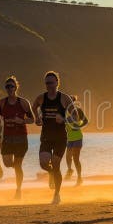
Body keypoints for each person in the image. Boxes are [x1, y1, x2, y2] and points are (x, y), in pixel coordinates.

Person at [33, 71, 74, 205]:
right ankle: (51, 174)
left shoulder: (64, 98)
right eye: (46, 83)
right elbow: (34, 107)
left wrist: (64, 119)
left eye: (51, 83)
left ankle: (57, 194)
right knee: (44, 163)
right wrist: (37, 118)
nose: (48, 85)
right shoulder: (41, 98)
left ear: (57, 83)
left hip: (60, 138)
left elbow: (76, 117)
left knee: (56, 165)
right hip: (46, 136)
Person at [0, 76, 34, 199]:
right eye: (7, 86)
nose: (9, 88)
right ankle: (14, 168)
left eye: (11, 86)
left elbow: (32, 119)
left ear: (16, 87)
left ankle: (18, 190)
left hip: (21, 138)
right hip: (7, 138)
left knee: (18, 166)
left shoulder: (23, 102)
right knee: (7, 163)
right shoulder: (2, 103)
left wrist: (21, 121)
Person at [64, 96, 88, 186]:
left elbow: (86, 121)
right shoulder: (64, 111)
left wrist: (78, 126)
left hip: (77, 137)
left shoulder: (78, 111)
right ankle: (70, 169)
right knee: (68, 156)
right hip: (69, 138)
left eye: (70, 101)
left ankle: (79, 178)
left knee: (75, 158)